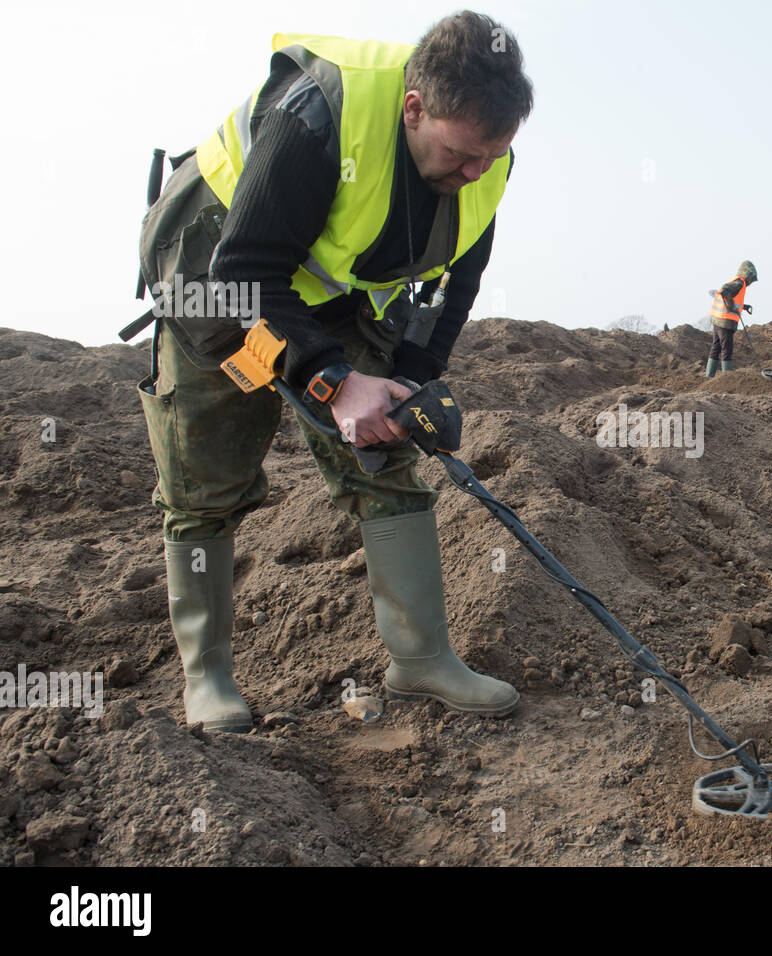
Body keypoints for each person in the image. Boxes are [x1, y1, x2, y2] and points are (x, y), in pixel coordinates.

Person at [133, 12, 534, 732]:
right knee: (205, 477)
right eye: (460, 152)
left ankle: (419, 659)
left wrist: (411, 378)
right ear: (415, 109)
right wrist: (335, 382)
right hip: (217, 275)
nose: (476, 171)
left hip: (330, 289)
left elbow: (458, 286)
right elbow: (248, 270)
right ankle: (208, 677)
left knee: (385, 452)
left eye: (491, 154)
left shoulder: (486, 159)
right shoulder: (318, 113)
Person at [705, 260, 757, 378]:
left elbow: (730, 296)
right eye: (751, 279)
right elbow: (725, 291)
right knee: (726, 350)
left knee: (716, 347)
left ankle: (709, 376)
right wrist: (730, 305)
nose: (750, 282)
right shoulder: (740, 282)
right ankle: (727, 378)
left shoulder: (735, 280)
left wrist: (743, 306)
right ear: (747, 275)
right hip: (725, 322)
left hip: (717, 320)